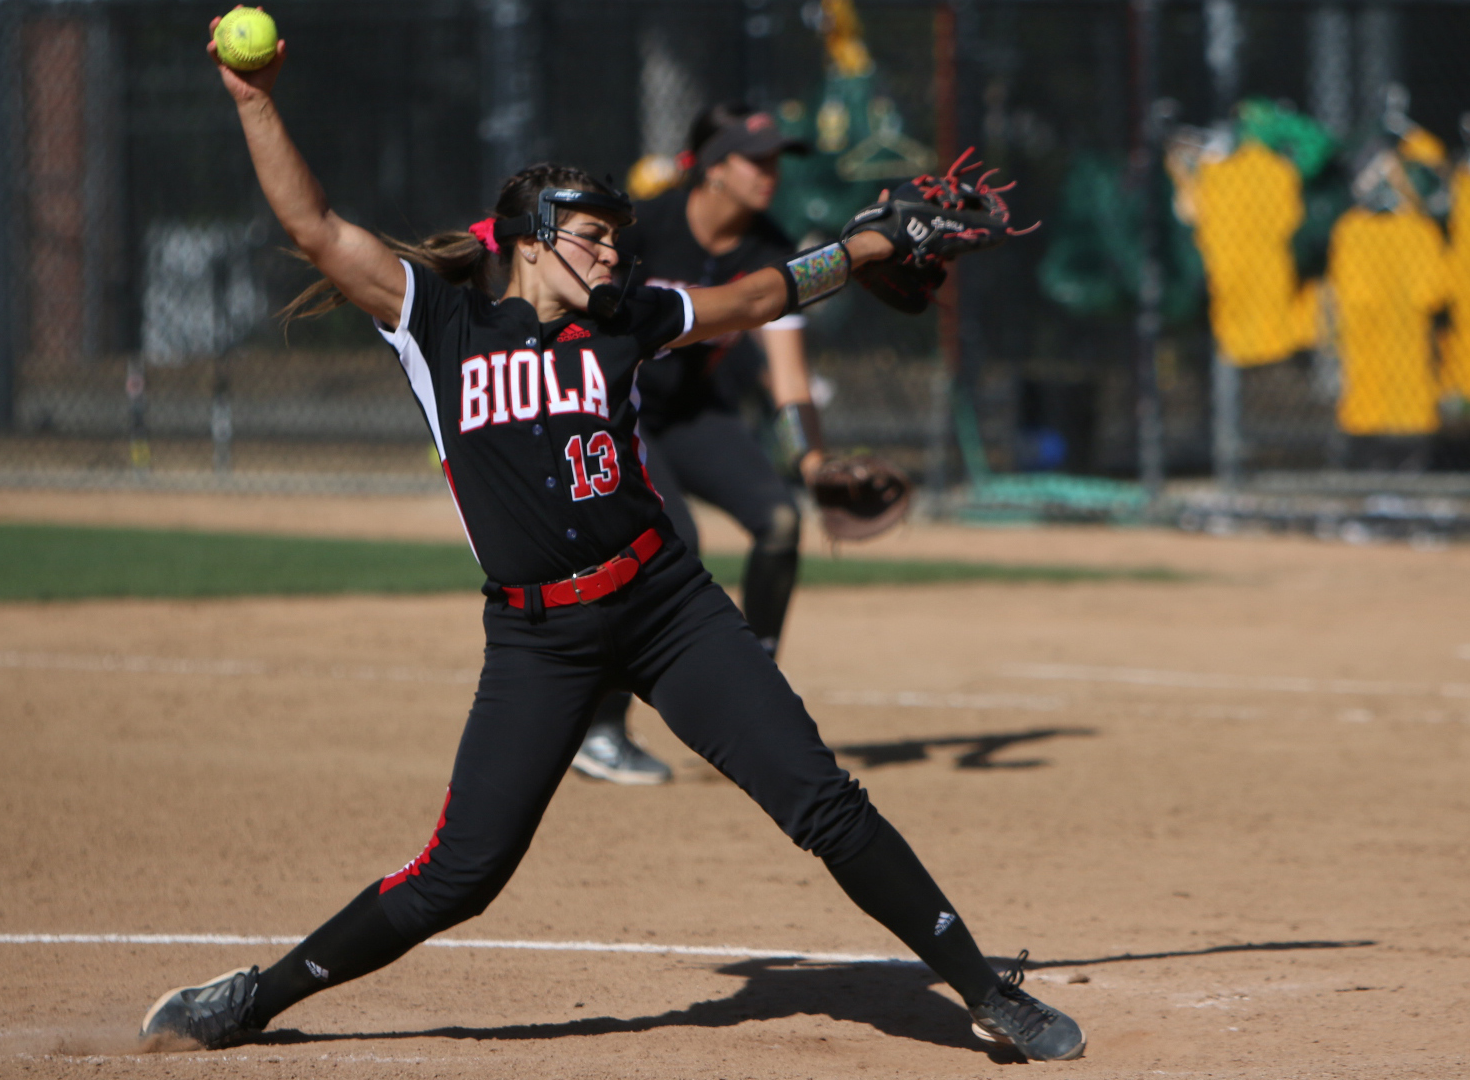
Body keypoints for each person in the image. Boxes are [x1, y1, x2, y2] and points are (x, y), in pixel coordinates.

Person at [137, 15, 1085, 1063]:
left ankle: (986, 989)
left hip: (668, 609)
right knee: (463, 874)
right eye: (590, 235)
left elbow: (755, 298)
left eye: (615, 237)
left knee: (820, 799)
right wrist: (253, 98)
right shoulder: (438, 326)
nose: (612, 250)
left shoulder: (628, 315)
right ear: (533, 238)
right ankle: (253, 1000)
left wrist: (862, 249)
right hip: (540, 643)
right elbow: (315, 227)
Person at [571, 103, 823, 786]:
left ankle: (755, 690)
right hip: (620, 413)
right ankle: (599, 728)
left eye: (776, 159)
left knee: (779, 523)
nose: (770, 172)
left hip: (696, 415)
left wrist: (813, 458)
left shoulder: (772, 250)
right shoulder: (644, 231)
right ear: (712, 169)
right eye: (755, 158)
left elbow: (788, 374)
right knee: (666, 543)